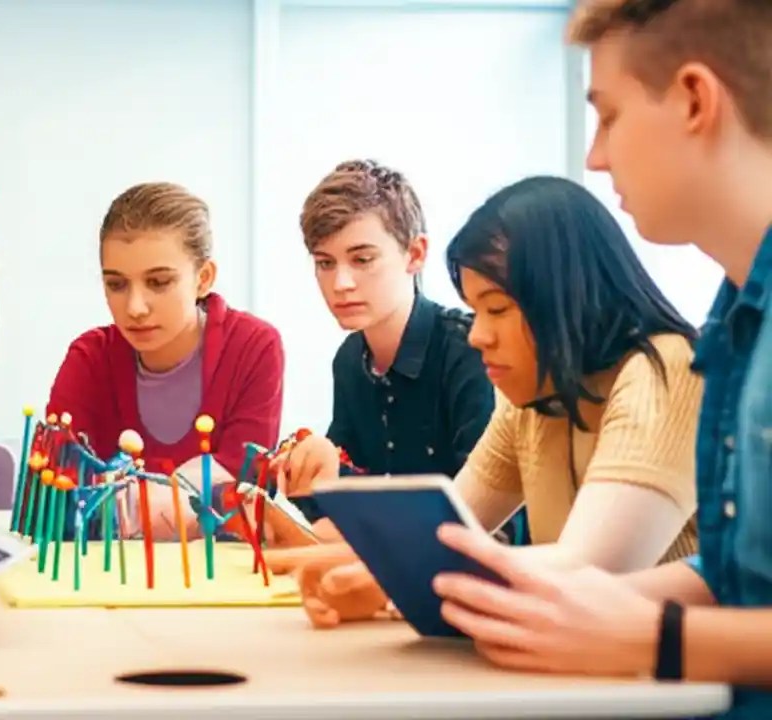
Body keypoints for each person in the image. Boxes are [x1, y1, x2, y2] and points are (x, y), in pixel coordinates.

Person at [431, 1, 772, 715]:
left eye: (609, 115)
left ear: (693, 99)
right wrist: (549, 606)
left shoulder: (672, 363)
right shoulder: (735, 321)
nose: (596, 155)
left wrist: (657, 637)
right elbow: (740, 577)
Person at [278, 175, 704, 627]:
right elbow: (441, 539)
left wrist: (383, 583)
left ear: (565, 295)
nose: (478, 335)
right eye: (476, 310)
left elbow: (585, 571)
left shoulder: (663, 369)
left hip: (665, 688)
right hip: (581, 670)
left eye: (496, 309)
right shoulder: (533, 399)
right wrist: (374, 579)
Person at [274, 160, 497, 544]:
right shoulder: (349, 360)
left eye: (362, 259)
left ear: (415, 254)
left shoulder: (470, 350)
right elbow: (339, 495)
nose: (341, 283)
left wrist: (334, 482)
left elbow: (489, 520)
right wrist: (297, 476)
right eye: (325, 263)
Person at [46, 182, 285, 539]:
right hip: (106, 581)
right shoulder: (89, 358)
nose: (135, 308)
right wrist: (196, 487)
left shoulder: (254, 347)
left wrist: (122, 502)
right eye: (117, 285)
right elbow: (58, 496)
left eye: (158, 282)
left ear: (203, 279)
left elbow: (239, 494)